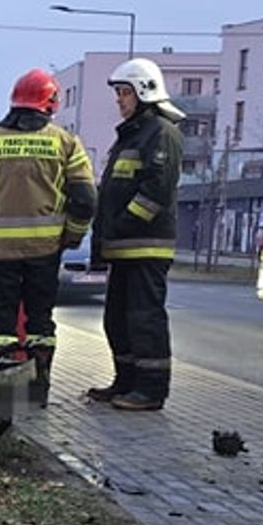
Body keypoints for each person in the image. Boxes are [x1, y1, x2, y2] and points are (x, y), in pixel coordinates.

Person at [0, 69, 95, 406]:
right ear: (50, 103)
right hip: (45, 249)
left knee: (1, 322)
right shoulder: (65, 142)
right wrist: (73, 236)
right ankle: (38, 389)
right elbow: (85, 198)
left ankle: (3, 392)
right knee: (40, 321)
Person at [87, 57, 184, 411]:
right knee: (117, 320)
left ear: (144, 92)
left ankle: (151, 390)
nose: (119, 100)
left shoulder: (161, 133)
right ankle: (126, 382)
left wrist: (121, 225)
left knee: (145, 320)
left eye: (125, 92)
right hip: (124, 247)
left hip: (146, 247)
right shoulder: (131, 134)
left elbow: (156, 191)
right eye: (118, 93)